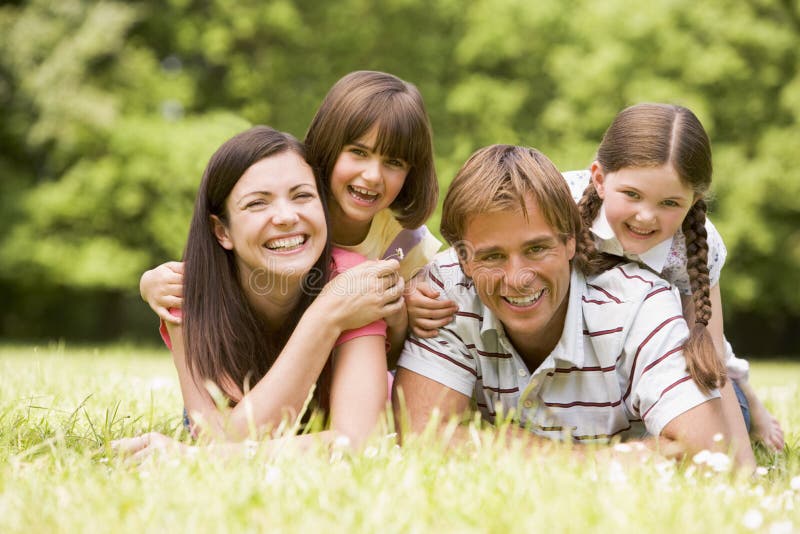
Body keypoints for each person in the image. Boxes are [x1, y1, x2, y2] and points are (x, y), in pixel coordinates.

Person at [392, 144, 755, 467]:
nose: (517, 278)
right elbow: (424, 437)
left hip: (699, 371)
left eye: (536, 249)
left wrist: (496, 448)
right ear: (463, 260)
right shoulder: (444, 293)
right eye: (493, 256)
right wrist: (608, 461)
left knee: (729, 394)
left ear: (570, 242)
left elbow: (706, 453)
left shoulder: (639, 302)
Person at [114, 126, 405, 458]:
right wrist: (324, 318)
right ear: (222, 231)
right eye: (257, 203)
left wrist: (326, 314)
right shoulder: (184, 293)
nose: (285, 217)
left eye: (302, 196)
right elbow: (214, 436)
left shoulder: (353, 283)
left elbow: (358, 443)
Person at [139, 71, 445, 362]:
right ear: (330, 145)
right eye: (359, 152)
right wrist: (149, 283)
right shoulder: (294, 211)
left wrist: (404, 318)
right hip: (251, 361)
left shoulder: (405, 243)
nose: (373, 176)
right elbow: (219, 266)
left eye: (394, 162)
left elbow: (393, 351)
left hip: (340, 372)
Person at [562, 103, 783, 451]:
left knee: (727, 415)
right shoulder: (558, 205)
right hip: (587, 368)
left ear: (693, 201)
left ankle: (751, 404)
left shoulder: (695, 246)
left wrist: (745, 471)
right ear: (600, 179)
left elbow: (710, 356)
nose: (646, 216)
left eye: (670, 203)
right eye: (632, 195)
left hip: (661, 367)